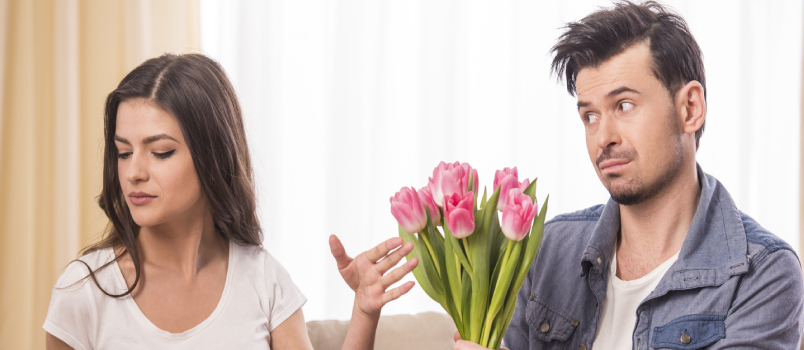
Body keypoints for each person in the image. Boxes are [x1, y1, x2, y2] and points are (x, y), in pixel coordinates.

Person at [455, 1, 804, 349]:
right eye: (590, 116)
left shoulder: (763, 274)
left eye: (623, 106)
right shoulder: (548, 250)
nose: (603, 138)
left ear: (690, 108)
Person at [43, 53, 418, 350]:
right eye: (123, 153)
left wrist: (365, 313)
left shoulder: (264, 280)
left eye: (160, 152)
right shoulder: (83, 290)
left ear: (213, 156)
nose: (133, 173)